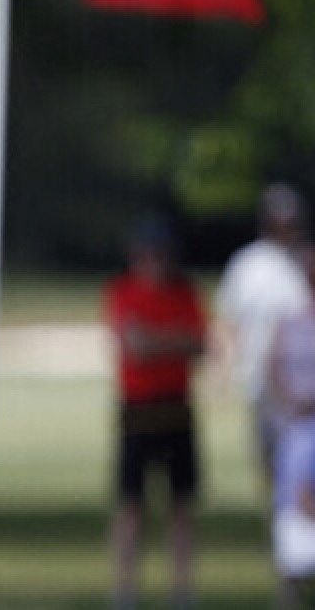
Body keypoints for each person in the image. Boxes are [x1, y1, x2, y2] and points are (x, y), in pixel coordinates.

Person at [101, 216, 206, 610]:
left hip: (176, 404)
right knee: (131, 504)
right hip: (139, 406)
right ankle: (125, 590)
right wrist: (173, 341)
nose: (156, 261)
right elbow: (134, 345)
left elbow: (199, 345)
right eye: (150, 253)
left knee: (181, 503)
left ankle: (182, 591)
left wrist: (159, 340)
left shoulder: (184, 293)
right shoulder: (123, 291)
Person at [216, 183, 311, 488]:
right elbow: (230, 321)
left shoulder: (303, 263)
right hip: (261, 380)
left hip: (302, 382)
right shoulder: (247, 265)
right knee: (269, 461)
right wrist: (223, 373)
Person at [267, 240, 315, 607]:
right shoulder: (291, 320)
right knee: (293, 501)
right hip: (297, 426)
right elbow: (274, 367)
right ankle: (293, 579)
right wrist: (291, 400)